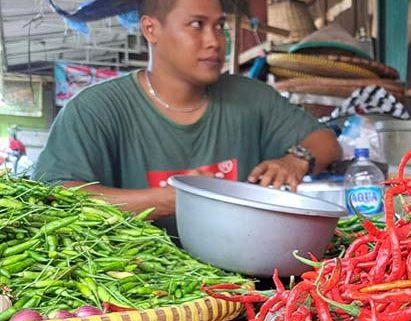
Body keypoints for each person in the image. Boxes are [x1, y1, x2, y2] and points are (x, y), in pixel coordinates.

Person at [33, 0, 342, 233]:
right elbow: (56, 196)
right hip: (141, 288)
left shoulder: (252, 99)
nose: (215, 41)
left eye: (218, 26)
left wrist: (296, 159)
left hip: (245, 276)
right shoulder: (96, 109)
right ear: (151, 29)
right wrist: (171, 199)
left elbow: (326, 141)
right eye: (197, 25)